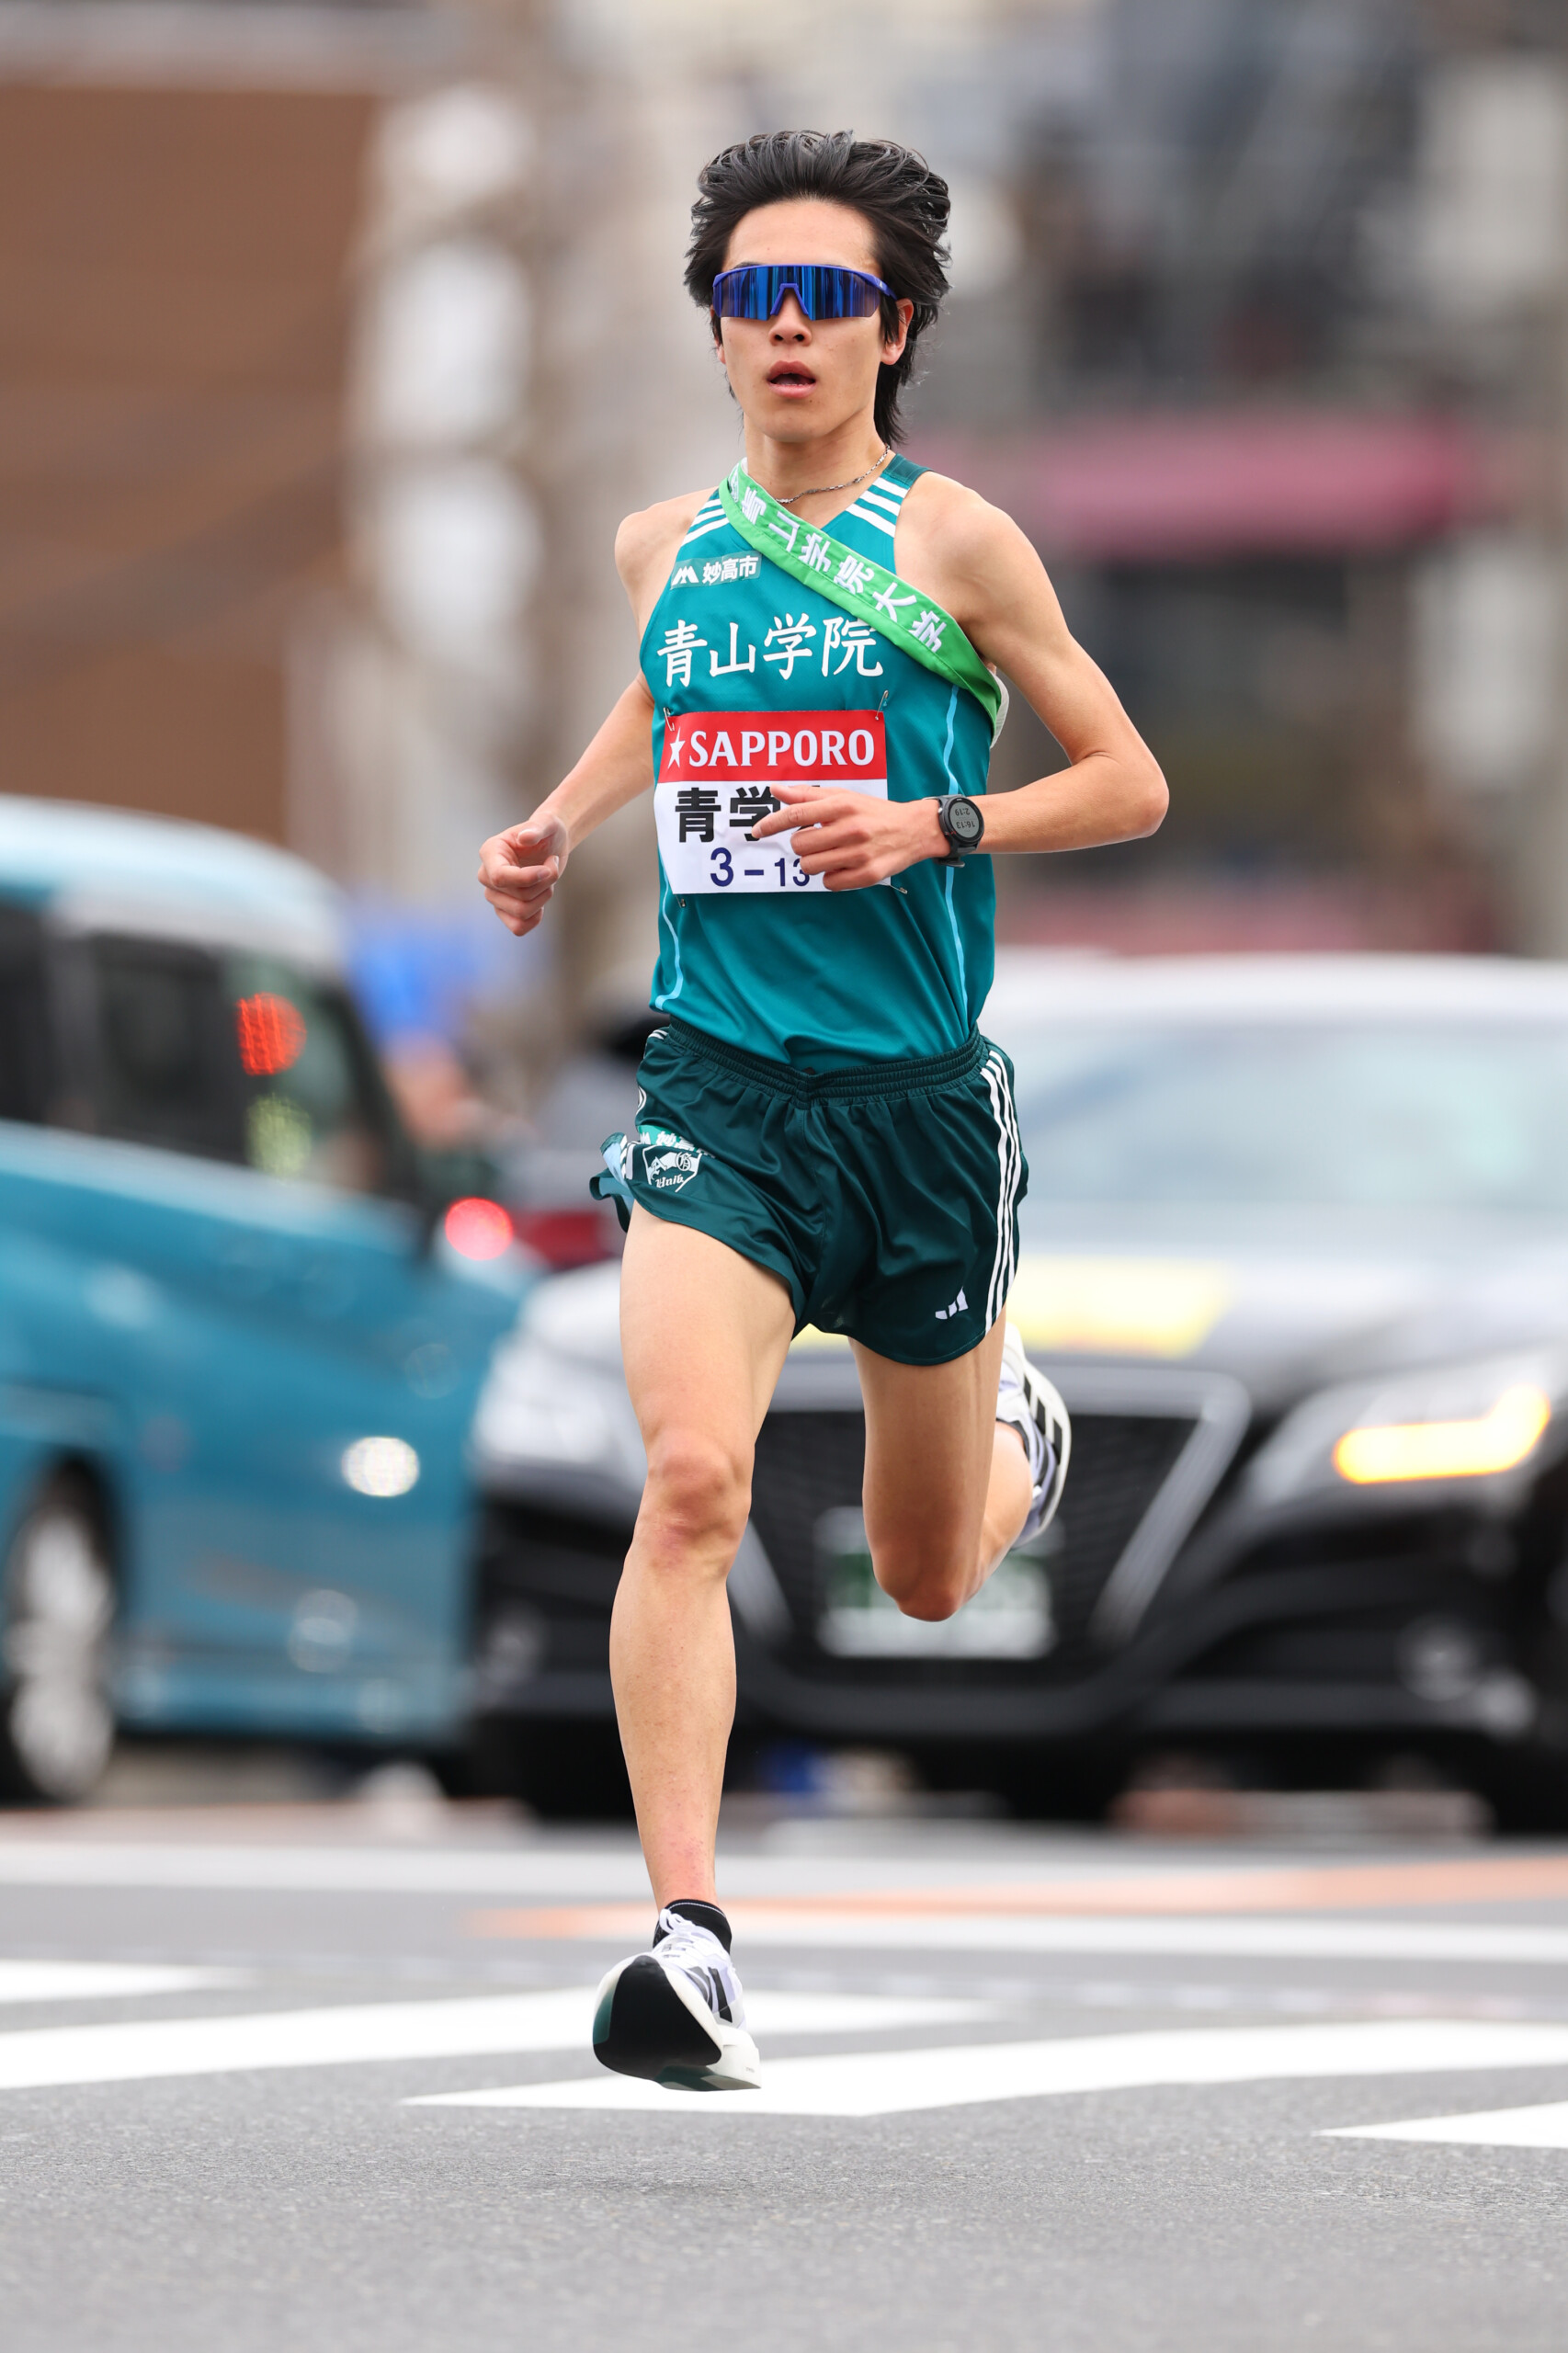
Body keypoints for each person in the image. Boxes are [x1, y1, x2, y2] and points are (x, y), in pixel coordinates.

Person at [478, 130, 1166, 2092]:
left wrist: (933, 820)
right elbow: (664, 697)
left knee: (928, 1574)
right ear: (714, 329)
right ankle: (688, 1939)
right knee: (692, 1480)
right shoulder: (661, 545)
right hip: (718, 1091)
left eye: (828, 299)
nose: (787, 329)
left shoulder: (957, 543)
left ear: (896, 329)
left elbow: (1126, 783)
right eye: (752, 296)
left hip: (915, 1110)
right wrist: (558, 822)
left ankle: (1012, 1419)